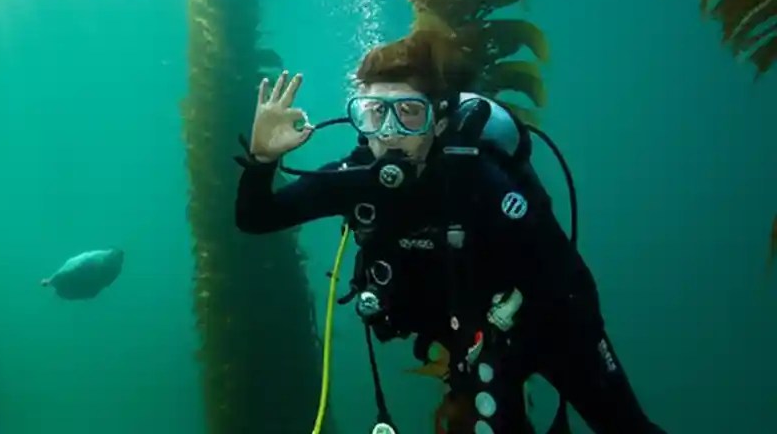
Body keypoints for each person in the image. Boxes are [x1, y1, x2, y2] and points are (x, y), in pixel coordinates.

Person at [234, 29, 664, 434]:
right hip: (472, 348)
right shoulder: (357, 182)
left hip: (552, 329)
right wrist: (261, 160)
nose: (389, 132)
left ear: (438, 121)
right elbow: (256, 218)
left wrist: (502, 344)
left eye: (408, 112)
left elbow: (560, 276)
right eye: (372, 113)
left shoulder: (479, 183)